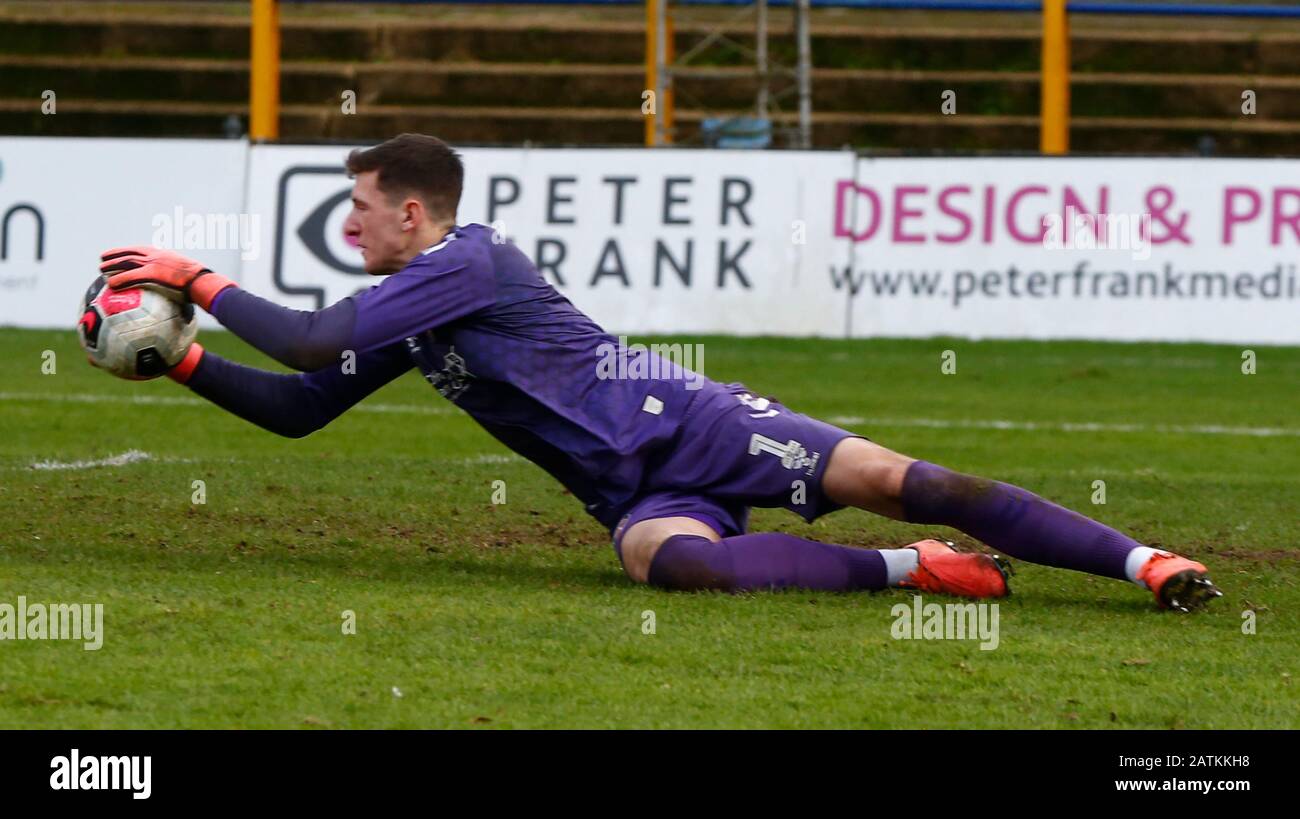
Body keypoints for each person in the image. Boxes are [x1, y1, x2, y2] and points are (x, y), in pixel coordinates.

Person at [97, 134, 1222, 611]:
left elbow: (301, 340)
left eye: (354, 208)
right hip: (632, 492)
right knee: (684, 573)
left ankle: (1144, 563)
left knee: (909, 475)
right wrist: (185, 358)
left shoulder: (467, 259)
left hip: (695, 426)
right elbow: (300, 403)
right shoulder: (403, 308)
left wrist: (193, 277)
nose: (345, 227)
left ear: (407, 210)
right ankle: (908, 573)